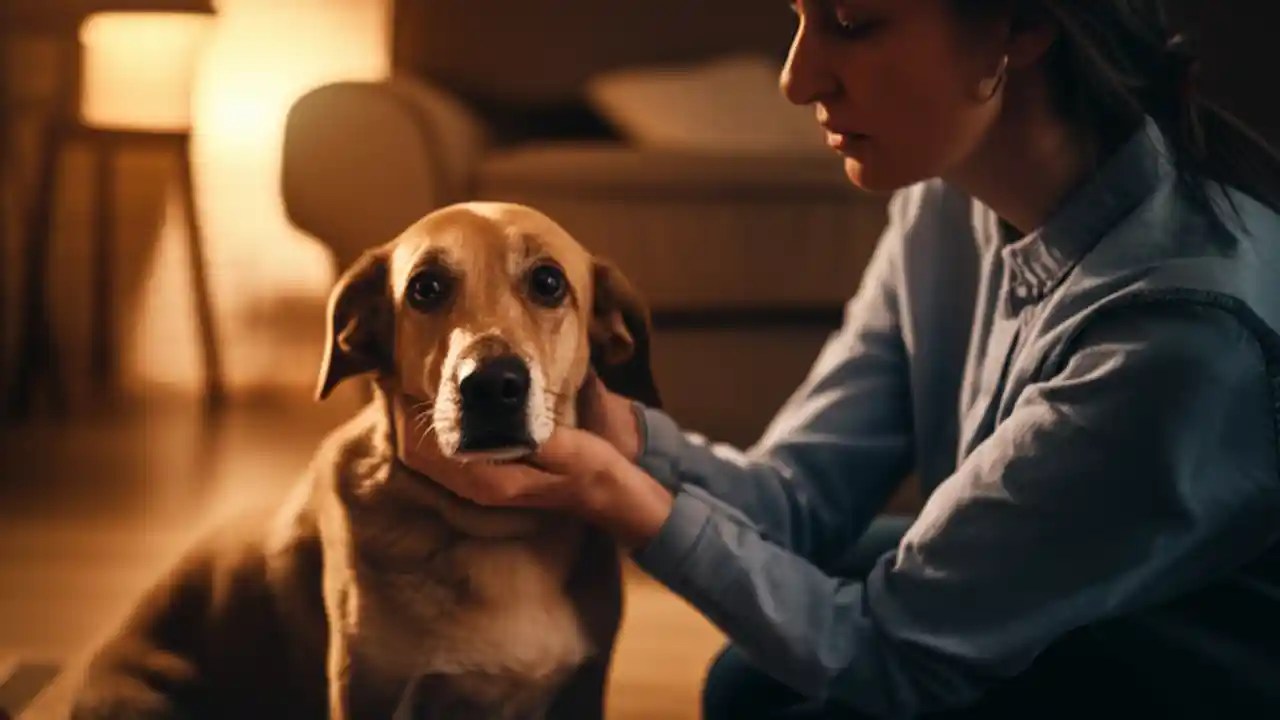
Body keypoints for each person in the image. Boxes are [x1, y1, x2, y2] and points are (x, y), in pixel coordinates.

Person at [403, 0, 1280, 717]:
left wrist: (612, 494)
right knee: (748, 680)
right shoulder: (948, 203)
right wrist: (619, 435)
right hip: (1081, 604)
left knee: (777, 694)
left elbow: (881, 655)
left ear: (1019, 26)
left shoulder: (1174, 338)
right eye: (799, 18)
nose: (796, 77)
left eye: (852, 24)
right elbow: (798, 501)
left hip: (1185, 664)